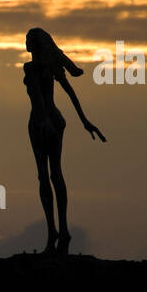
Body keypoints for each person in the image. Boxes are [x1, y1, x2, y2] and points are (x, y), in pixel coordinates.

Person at [23, 28, 106, 254]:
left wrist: (84, 121)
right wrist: (84, 121)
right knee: (55, 173)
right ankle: (61, 231)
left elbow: (43, 99)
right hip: (55, 120)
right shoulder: (49, 67)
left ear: (36, 44)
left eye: (29, 39)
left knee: (45, 175)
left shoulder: (31, 69)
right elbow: (70, 93)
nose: (26, 42)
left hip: (41, 122)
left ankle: (54, 232)